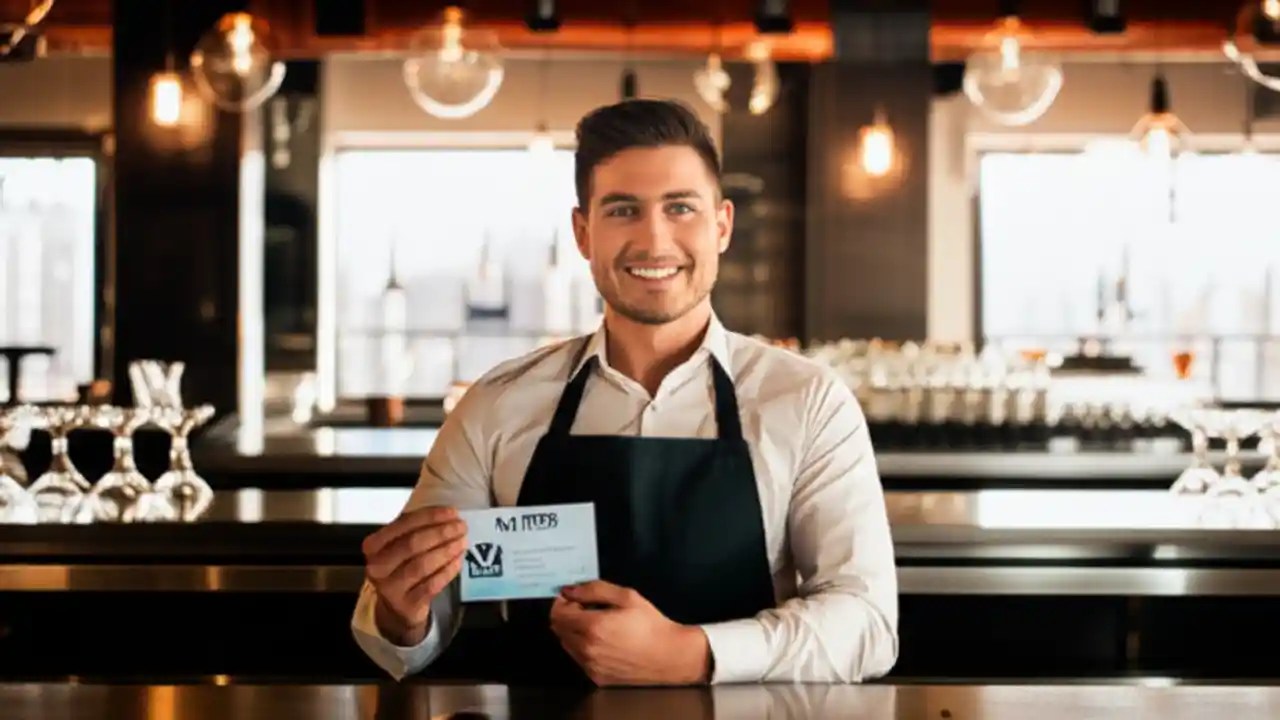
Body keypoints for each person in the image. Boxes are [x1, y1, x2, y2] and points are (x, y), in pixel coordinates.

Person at [352, 98, 899, 686]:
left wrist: (692, 654)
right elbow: (401, 637)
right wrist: (402, 611)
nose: (654, 240)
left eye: (681, 208)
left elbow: (866, 624)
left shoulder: (810, 402)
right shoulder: (496, 405)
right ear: (584, 233)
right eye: (623, 210)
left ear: (721, 226)